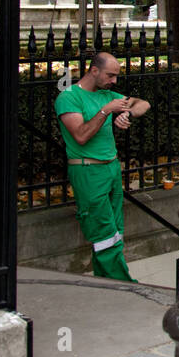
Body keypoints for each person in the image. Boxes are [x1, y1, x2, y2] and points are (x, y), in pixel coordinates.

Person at [55, 51, 150, 281]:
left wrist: (126, 112)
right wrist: (107, 110)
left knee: (114, 231)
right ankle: (123, 283)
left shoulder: (107, 94)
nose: (114, 81)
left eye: (116, 76)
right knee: (104, 231)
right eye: (110, 75)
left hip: (111, 167)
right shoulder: (69, 97)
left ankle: (106, 282)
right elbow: (81, 135)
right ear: (94, 70)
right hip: (87, 169)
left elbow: (143, 104)